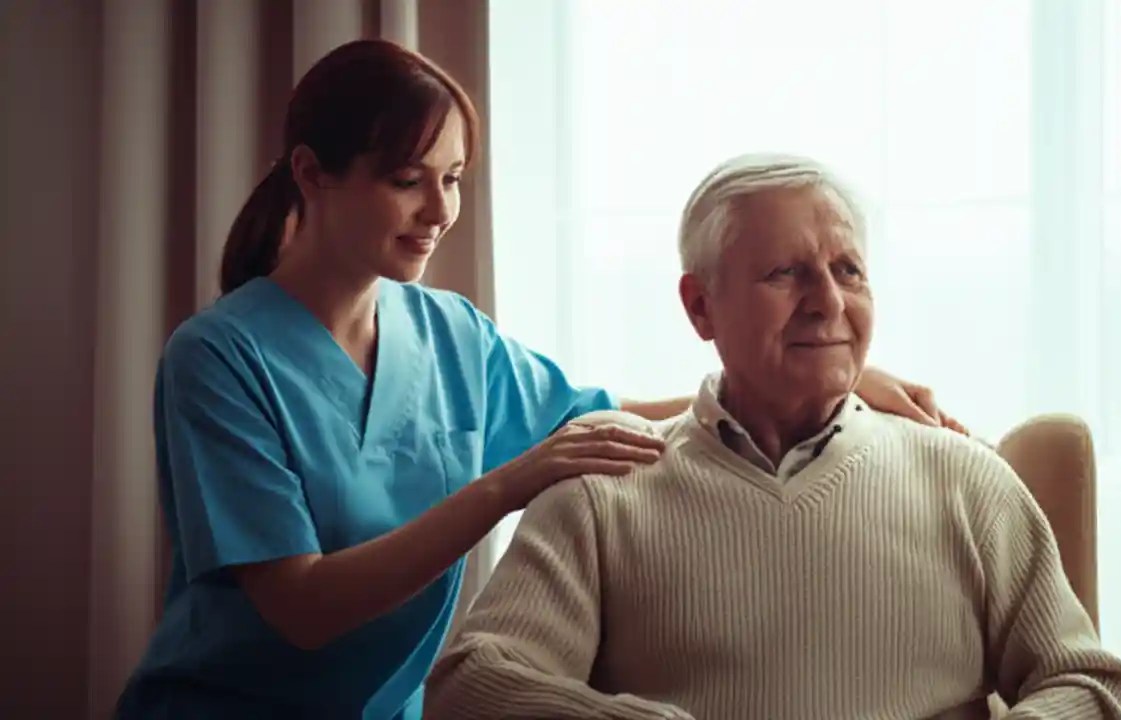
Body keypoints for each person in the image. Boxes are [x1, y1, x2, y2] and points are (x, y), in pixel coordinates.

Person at [112, 41, 960, 719]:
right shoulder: (217, 359)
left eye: (451, 180)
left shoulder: (449, 333)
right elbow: (302, 609)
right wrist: (508, 485)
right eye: (407, 181)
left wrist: (823, 378)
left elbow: (604, 419)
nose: (439, 212)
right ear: (311, 173)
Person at [424, 154, 1121, 720]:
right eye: (786, 274)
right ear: (700, 305)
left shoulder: (966, 480)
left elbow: (1089, 682)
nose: (828, 302)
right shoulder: (605, 487)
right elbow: (471, 688)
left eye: (848, 271)